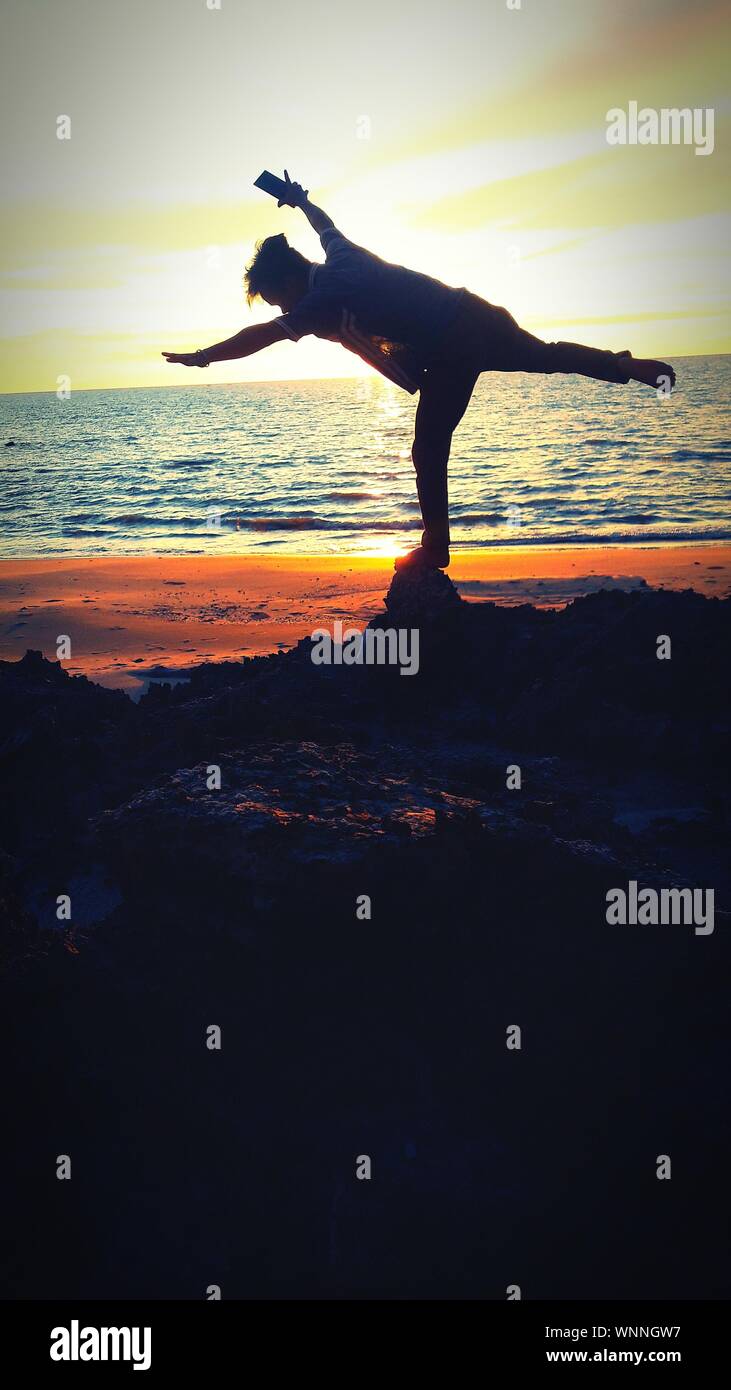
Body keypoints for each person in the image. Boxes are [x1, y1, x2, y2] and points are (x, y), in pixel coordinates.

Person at [163, 173, 676, 571]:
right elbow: (323, 222)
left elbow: (265, 336)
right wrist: (297, 199)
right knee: (546, 355)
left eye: (276, 297)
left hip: (450, 346)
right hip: (473, 312)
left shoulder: (323, 297)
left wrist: (204, 356)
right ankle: (623, 366)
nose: (280, 307)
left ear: (289, 281)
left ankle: (435, 548)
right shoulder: (339, 254)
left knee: (427, 447)